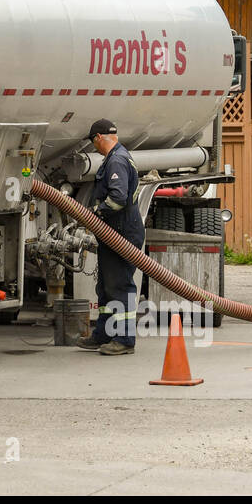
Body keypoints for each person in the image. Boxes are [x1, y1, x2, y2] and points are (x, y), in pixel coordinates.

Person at [76, 119, 144, 355]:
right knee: (105, 286)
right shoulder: (118, 156)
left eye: (94, 142)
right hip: (114, 232)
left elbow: (118, 197)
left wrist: (96, 213)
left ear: (98, 138)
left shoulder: (116, 160)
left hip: (122, 232)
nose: (95, 147)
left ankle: (124, 340)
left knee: (119, 286)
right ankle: (103, 335)